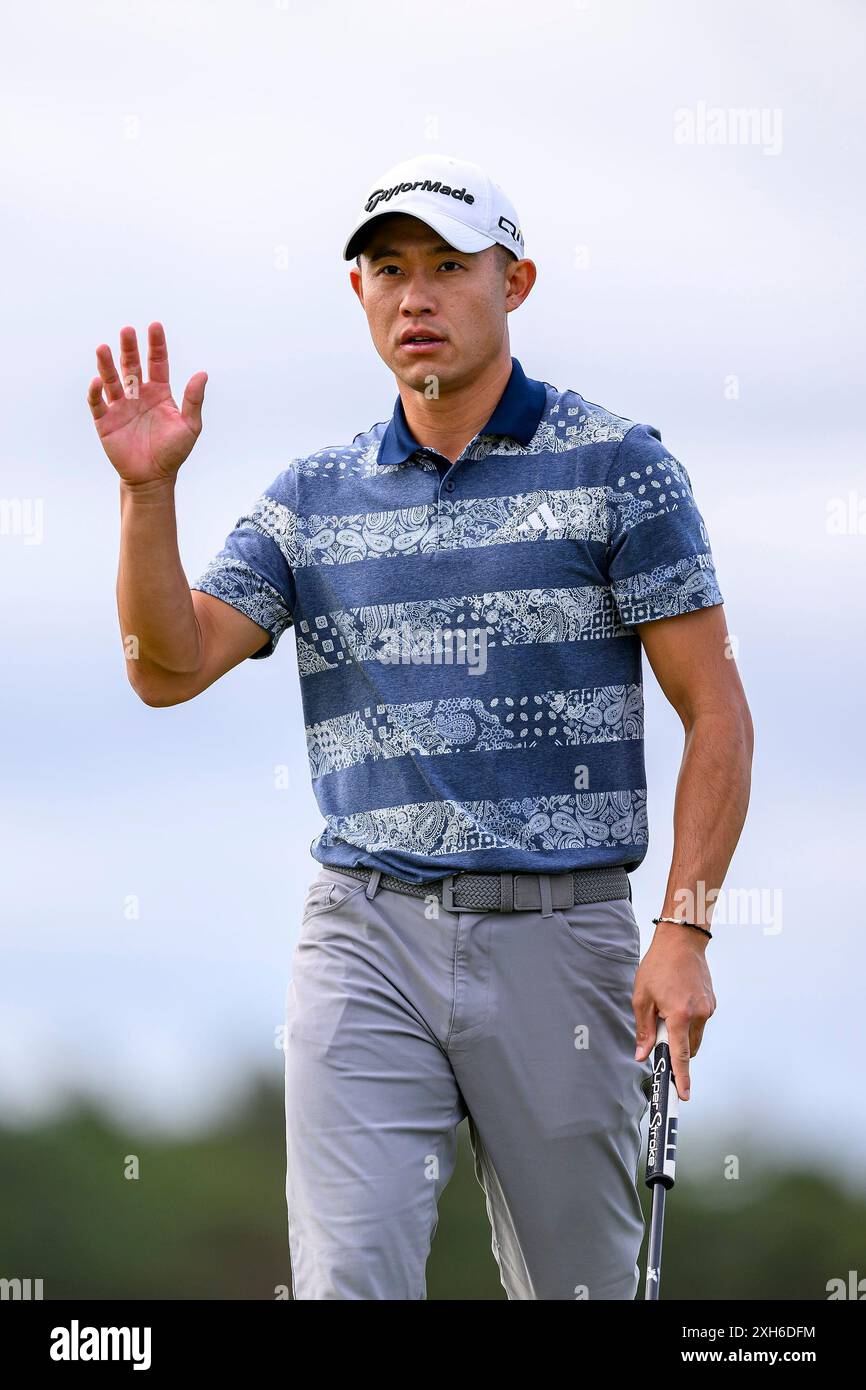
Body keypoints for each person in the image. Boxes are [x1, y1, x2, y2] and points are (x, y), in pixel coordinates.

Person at [87, 153, 754, 1300]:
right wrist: (149, 497)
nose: (415, 296)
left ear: (516, 282)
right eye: (387, 270)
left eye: (449, 267)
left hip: (561, 932)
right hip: (364, 931)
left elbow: (715, 713)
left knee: (578, 1286)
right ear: (359, 297)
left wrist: (684, 929)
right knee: (348, 1281)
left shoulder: (617, 470)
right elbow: (168, 666)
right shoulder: (311, 498)